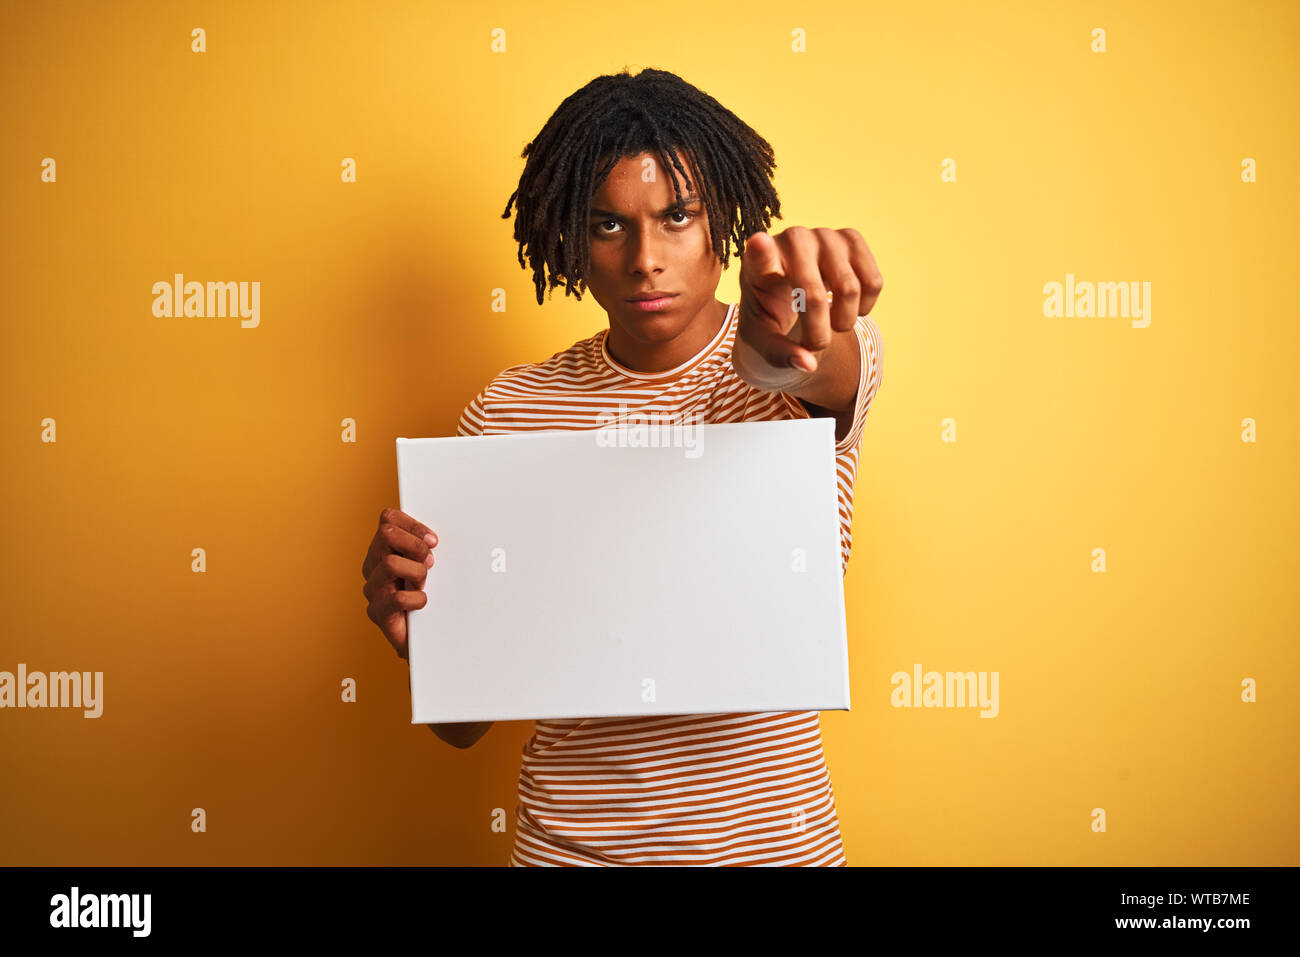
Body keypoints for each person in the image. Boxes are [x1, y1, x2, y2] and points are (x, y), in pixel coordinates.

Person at [361, 67, 884, 866]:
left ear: (726, 224)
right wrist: (423, 639)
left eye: (678, 216)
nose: (646, 258)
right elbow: (462, 729)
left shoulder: (793, 369)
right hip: (570, 853)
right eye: (609, 225)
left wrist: (793, 325)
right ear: (571, 236)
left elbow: (805, 362)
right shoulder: (507, 413)